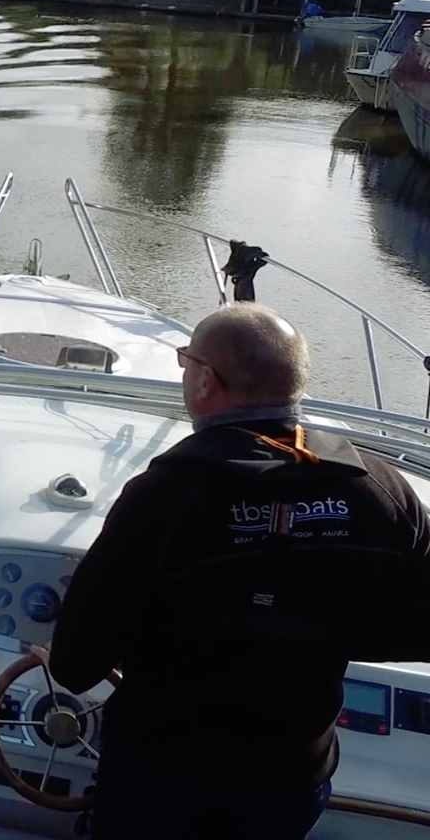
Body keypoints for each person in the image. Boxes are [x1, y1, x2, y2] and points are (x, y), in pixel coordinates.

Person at [49, 302, 430, 840]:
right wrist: (319, 630)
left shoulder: (165, 496)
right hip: (289, 778)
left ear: (206, 379)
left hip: (160, 775)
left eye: (186, 362)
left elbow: (74, 665)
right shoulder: (382, 491)